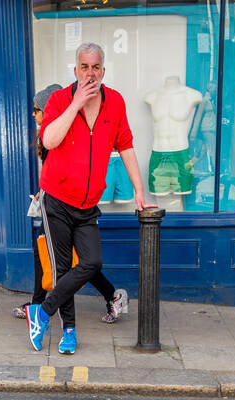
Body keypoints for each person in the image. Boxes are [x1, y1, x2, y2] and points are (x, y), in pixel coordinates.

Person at [27, 43, 153, 356]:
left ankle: (41, 313)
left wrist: (139, 191)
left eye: (95, 67)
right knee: (62, 269)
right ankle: (68, 332)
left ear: (103, 71)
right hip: (56, 199)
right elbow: (48, 139)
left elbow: (125, 146)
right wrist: (76, 104)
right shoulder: (58, 100)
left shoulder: (115, 103)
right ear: (76, 70)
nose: (90, 73)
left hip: (86, 206)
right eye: (84, 67)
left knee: (92, 262)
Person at [17, 83, 128, 326]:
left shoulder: (63, 131)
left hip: (69, 206)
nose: (33, 114)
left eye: (36, 109)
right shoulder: (51, 132)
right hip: (55, 202)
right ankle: (110, 296)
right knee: (60, 255)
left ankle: (42, 306)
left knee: (73, 260)